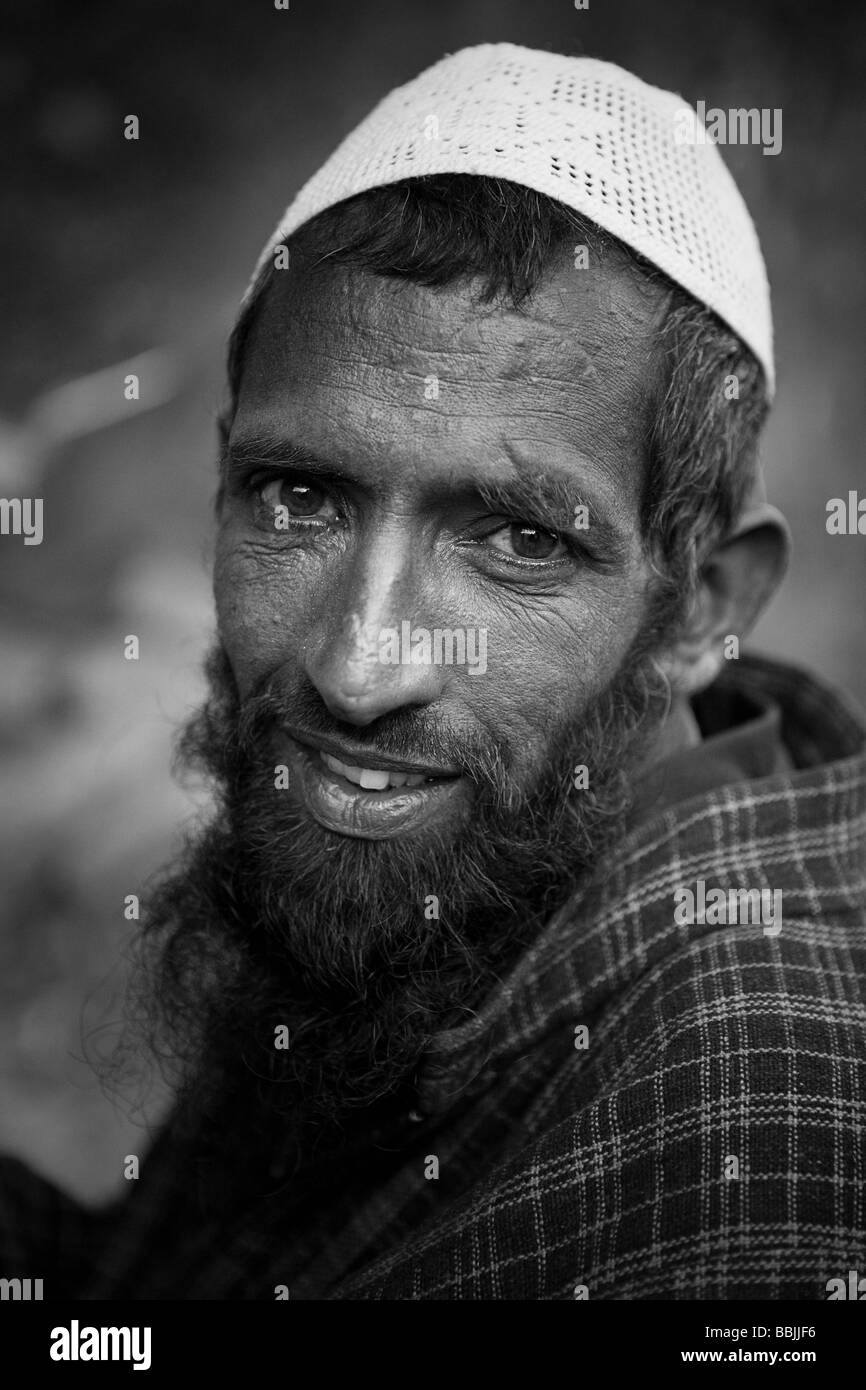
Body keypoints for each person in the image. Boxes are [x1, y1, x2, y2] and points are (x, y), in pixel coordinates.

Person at [2, 43, 864, 1301]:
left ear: (703, 607)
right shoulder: (440, 888)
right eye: (298, 497)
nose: (357, 670)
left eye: (519, 538)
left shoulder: (760, 1125)